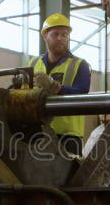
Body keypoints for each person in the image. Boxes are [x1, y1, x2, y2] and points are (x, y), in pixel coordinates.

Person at [28, 13, 91, 156]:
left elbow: (81, 94)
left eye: (64, 34)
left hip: (68, 135)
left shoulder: (80, 65)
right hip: (38, 132)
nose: (60, 38)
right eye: (55, 34)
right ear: (45, 36)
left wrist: (56, 87)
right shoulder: (32, 63)